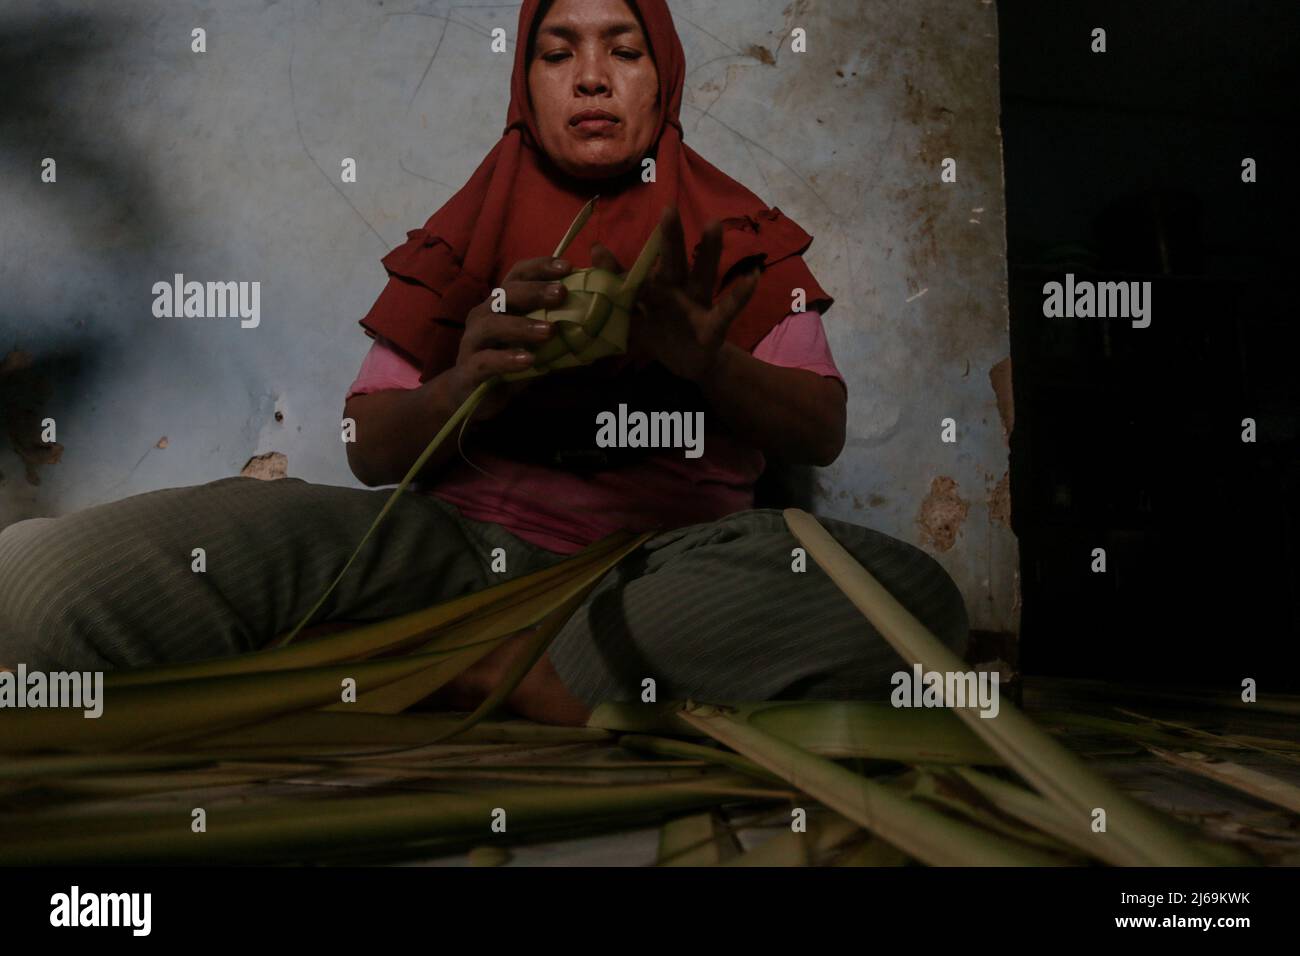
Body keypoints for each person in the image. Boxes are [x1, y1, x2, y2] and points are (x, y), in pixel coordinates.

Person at [0, 0, 968, 726]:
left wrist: (705, 365)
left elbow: (820, 432)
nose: (591, 77)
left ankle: (456, 672)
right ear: (527, 83)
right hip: (451, 553)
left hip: (652, 567)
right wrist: (468, 383)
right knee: (36, 577)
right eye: (559, 53)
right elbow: (374, 450)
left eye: (623, 51)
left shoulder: (732, 239)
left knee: (904, 595)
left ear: (661, 76)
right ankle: (515, 671)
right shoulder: (468, 235)